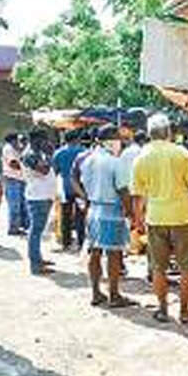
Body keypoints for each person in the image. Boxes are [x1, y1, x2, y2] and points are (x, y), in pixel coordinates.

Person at [131, 114, 188, 324]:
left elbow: (137, 195)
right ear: (169, 132)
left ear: (149, 133)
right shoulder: (181, 153)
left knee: (158, 267)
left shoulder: (141, 157)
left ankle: (162, 309)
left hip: (155, 218)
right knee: (187, 267)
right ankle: (184, 311)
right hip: (184, 217)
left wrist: (138, 220)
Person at [76, 124, 136, 308]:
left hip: (94, 209)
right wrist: (130, 211)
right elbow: (123, 189)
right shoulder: (114, 162)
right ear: (110, 140)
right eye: (118, 138)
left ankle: (95, 292)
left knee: (94, 252)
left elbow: (81, 183)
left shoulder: (88, 160)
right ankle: (114, 294)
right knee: (114, 254)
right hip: (112, 211)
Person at [22, 129, 57, 275]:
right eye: (44, 140)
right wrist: (49, 155)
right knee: (35, 231)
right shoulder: (29, 155)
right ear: (36, 140)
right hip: (37, 197)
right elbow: (44, 170)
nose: (46, 142)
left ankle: (38, 259)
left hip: (43, 195)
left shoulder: (36, 153)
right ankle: (35, 264)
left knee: (38, 231)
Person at [52, 129, 86, 250]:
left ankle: (66, 242)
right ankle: (81, 242)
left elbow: (55, 171)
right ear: (76, 139)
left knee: (65, 215)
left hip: (64, 187)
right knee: (80, 216)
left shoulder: (58, 153)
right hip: (79, 187)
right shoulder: (83, 152)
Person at [1, 133, 28, 236]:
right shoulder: (8, 149)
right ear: (12, 140)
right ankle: (13, 228)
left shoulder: (15, 149)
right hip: (12, 179)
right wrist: (26, 166)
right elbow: (13, 164)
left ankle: (19, 226)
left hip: (20, 179)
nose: (18, 142)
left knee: (22, 204)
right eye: (17, 140)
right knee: (14, 205)